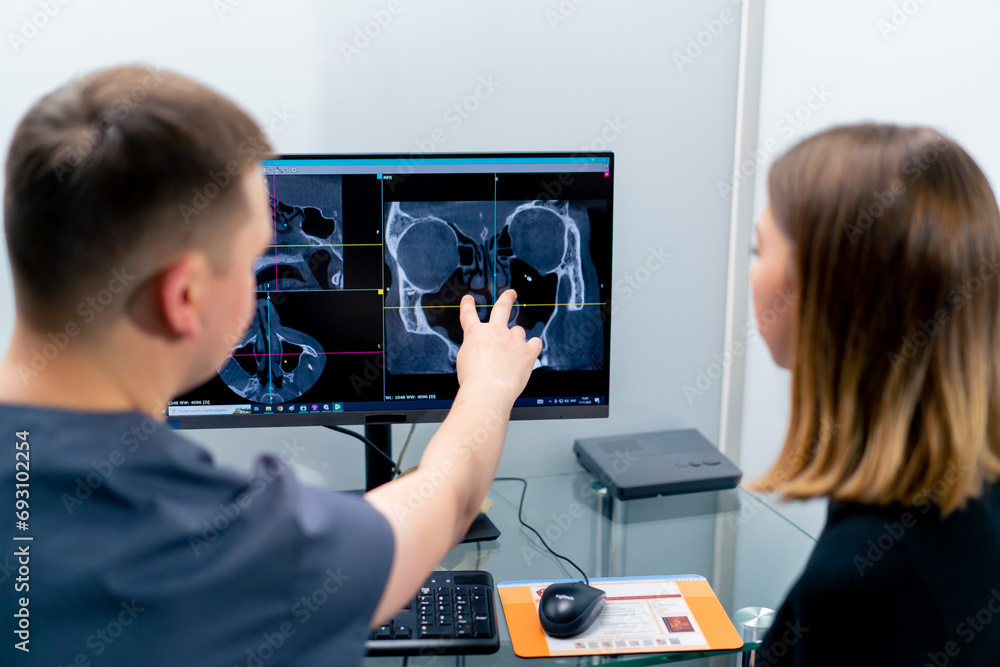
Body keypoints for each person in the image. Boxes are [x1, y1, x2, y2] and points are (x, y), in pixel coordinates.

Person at [0, 65, 542, 666]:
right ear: (184, 299)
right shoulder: (224, 540)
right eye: (254, 256)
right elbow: (449, 500)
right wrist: (489, 388)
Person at [748, 124, 1000, 665]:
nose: (752, 274)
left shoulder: (874, 580)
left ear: (823, 290)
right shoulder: (965, 498)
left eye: (759, 248)